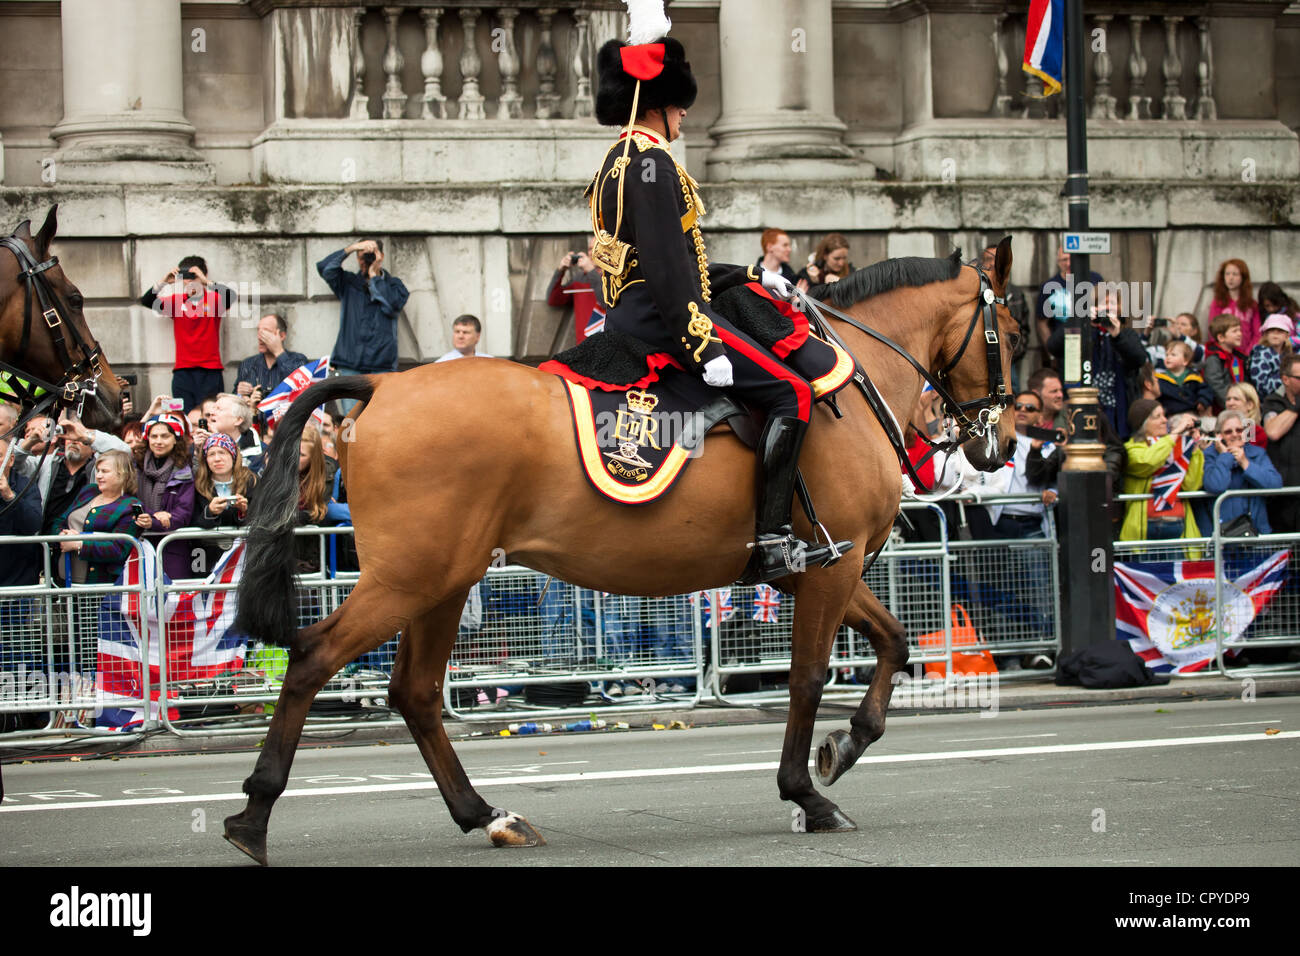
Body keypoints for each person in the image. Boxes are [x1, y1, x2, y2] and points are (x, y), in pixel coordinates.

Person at [588, 25, 851, 580]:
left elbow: (677, 263)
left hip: (634, 312)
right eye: (680, 107)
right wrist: (701, 343)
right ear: (658, 104)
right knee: (791, 392)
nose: (685, 118)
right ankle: (773, 541)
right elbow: (665, 271)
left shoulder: (618, 160)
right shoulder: (651, 163)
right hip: (664, 322)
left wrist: (755, 275)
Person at [317, 239, 409, 414]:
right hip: (350, 364)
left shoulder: (395, 286)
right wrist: (351, 249)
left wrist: (375, 277)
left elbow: (391, 305)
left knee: (382, 418)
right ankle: (350, 443)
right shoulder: (348, 283)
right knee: (351, 422)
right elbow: (324, 268)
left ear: (380, 256)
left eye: (369, 255)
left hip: (382, 366)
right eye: (360, 256)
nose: (364, 260)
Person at [1047, 289, 1147, 438]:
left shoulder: (1127, 334)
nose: (1107, 308)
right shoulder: (1080, 329)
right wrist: (1079, 320)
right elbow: (1053, 347)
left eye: (1112, 303)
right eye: (1103, 303)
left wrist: (1117, 336)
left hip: (1118, 409)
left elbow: (1139, 359)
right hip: (1083, 406)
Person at [140, 256, 235, 412]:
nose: (188, 281)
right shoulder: (176, 301)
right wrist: (164, 281)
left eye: (193, 276)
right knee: (181, 414)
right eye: (185, 277)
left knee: (211, 414)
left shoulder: (214, 299)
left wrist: (205, 282)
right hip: (182, 372)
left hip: (210, 371)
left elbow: (231, 297)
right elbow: (146, 300)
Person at [1120, 399, 1205, 543]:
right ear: (1142, 423)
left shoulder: (1174, 446)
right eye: (1157, 416)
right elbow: (1149, 461)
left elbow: (1192, 486)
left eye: (1164, 415)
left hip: (1178, 523)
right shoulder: (1131, 449)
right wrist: (1176, 432)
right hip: (1144, 528)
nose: (1164, 420)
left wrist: (1194, 449)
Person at [54, 450, 143, 585]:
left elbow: (119, 549)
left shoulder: (132, 506)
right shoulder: (89, 491)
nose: (99, 476)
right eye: (98, 470)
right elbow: (60, 520)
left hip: (102, 583)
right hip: (67, 578)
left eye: (105, 471)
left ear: (122, 474)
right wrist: (61, 535)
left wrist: (78, 544)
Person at [132, 413, 196, 582]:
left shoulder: (185, 470)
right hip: (139, 546)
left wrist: (155, 521)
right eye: (154, 436)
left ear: (176, 439)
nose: (158, 441)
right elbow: (127, 500)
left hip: (172, 548)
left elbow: (184, 512)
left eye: (165, 436)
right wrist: (154, 517)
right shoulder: (134, 466)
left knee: (173, 602)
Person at [1202, 409, 1281, 536]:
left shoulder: (1257, 453)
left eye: (1239, 430)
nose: (1234, 434)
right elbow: (1215, 485)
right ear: (1218, 435)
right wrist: (1225, 456)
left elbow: (1275, 485)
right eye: (1228, 432)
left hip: (1256, 530)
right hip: (1223, 535)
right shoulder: (1209, 454)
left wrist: (1245, 463)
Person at [192, 433, 257, 575]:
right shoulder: (197, 484)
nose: (217, 459)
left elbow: (261, 519)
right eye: (211, 454)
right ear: (206, 460)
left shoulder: (251, 481)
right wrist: (210, 512)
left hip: (242, 556)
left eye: (222, 452)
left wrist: (244, 511)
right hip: (207, 556)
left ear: (233, 455)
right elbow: (192, 522)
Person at [1035, 244, 1103, 369]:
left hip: (1095, 347)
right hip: (1065, 348)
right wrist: (1051, 353)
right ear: (1058, 261)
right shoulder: (1050, 286)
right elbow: (1042, 322)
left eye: (1072, 259)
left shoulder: (1094, 279)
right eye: (1064, 260)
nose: (1069, 263)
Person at [980, 244, 1030, 389]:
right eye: (989, 259)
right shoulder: (976, 289)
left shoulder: (1015, 293)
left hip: (1008, 359)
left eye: (997, 259)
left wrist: (1010, 354)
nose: (993, 263)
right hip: (981, 357)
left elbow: (1023, 329)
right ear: (983, 263)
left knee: (1011, 392)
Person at [1261, 353, 1300, 534]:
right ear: (1285, 379)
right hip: (1282, 493)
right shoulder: (1272, 402)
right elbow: (1273, 432)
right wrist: (1296, 407)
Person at [0, 429, 43, 588]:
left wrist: (9, 495)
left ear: (11, 460)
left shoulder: (25, 485)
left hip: (17, 581)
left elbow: (33, 524)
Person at [234, 313, 309, 403]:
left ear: (281, 336)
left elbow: (300, 387)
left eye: (266, 332)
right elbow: (233, 403)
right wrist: (239, 394)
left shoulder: (298, 360)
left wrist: (278, 352)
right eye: (258, 331)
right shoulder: (247, 364)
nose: (260, 337)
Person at [546, 239, 607, 344]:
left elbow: (605, 302)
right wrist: (561, 270)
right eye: (590, 249)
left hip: (607, 343)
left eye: (596, 247)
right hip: (583, 345)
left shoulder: (614, 277)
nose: (591, 252)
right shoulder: (580, 277)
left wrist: (591, 271)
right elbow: (553, 299)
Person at [1208, 258, 1260, 355]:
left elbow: (1257, 333)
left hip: (1247, 354)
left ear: (1243, 277)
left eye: (1235, 274)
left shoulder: (1251, 304)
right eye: (1227, 274)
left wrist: (1247, 353)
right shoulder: (1217, 303)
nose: (1230, 278)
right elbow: (1213, 331)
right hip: (1224, 354)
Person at [1155, 341, 1213, 419]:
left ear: (1185, 361)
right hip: (1171, 416)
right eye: (1167, 355)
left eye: (1173, 355)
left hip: (1192, 413)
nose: (1168, 357)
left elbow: (1205, 390)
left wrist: (1202, 401)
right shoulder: (1160, 379)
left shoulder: (1194, 377)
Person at [1203, 313, 1249, 408]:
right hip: (1225, 408)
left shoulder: (1239, 357)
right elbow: (1216, 387)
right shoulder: (1214, 359)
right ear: (1221, 337)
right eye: (1234, 331)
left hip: (1241, 404)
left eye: (1239, 330)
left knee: (1249, 422)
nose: (1239, 334)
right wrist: (1233, 404)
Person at [1248, 313, 1295, 397]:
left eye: (1280, 331)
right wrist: (1288, 377)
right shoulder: (1260, 355)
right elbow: (1263, 387)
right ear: (1266, 335)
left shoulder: (1288, 355)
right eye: (1271, 331)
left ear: (1287, 336)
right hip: (1267, 403)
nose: (1275, 334)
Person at [1225, 382, 1266, 450]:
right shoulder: (1222, 428)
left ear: (1250, 405)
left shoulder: (1253, 430)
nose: (1230, 403)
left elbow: (1251, 456)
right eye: (1228, 399)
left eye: (1236, 399)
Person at [1027, 366, 1067, 431]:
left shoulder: (1068, 418)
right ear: (1036, 394)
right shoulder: (1020, 421)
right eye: (1054, 391)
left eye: (1061, 390)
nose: (1060, 395)